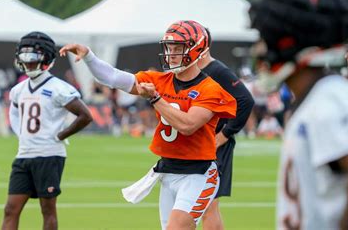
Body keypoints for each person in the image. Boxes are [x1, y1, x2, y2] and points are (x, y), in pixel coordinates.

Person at [60, 20, 237, 230]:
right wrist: (89, 56)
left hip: (198, 175)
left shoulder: (210, 89)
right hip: (169, 170)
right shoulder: (160, 80)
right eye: (169, 48)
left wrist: (155, 98)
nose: (171, 53)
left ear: (196, 50)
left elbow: (188, 125)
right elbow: (113, 77)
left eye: (178, 48)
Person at [248, 0, 348, 229]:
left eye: (266, 36)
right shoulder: (313, 99)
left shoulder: (329, 100)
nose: (259, 48)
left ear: (289, 40)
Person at [1, 32, 92, 230]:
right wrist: (22, 135)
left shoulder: (59, 88)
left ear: (46, 59)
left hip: (49, 155)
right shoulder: (18, 89)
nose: (29, 64)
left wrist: (60, 135)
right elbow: (15, 115)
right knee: (10, 209)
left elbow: (85, 116)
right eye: (26, 60)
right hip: (23, 155)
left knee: (47, 209)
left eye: (34, 60)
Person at [196, 30, 254, 229]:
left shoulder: (217, 70)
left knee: (208, 204)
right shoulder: (196, 70)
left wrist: (225, 134)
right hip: (200, 144)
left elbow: (246, 100)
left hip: (214, 146)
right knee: (201, 205)